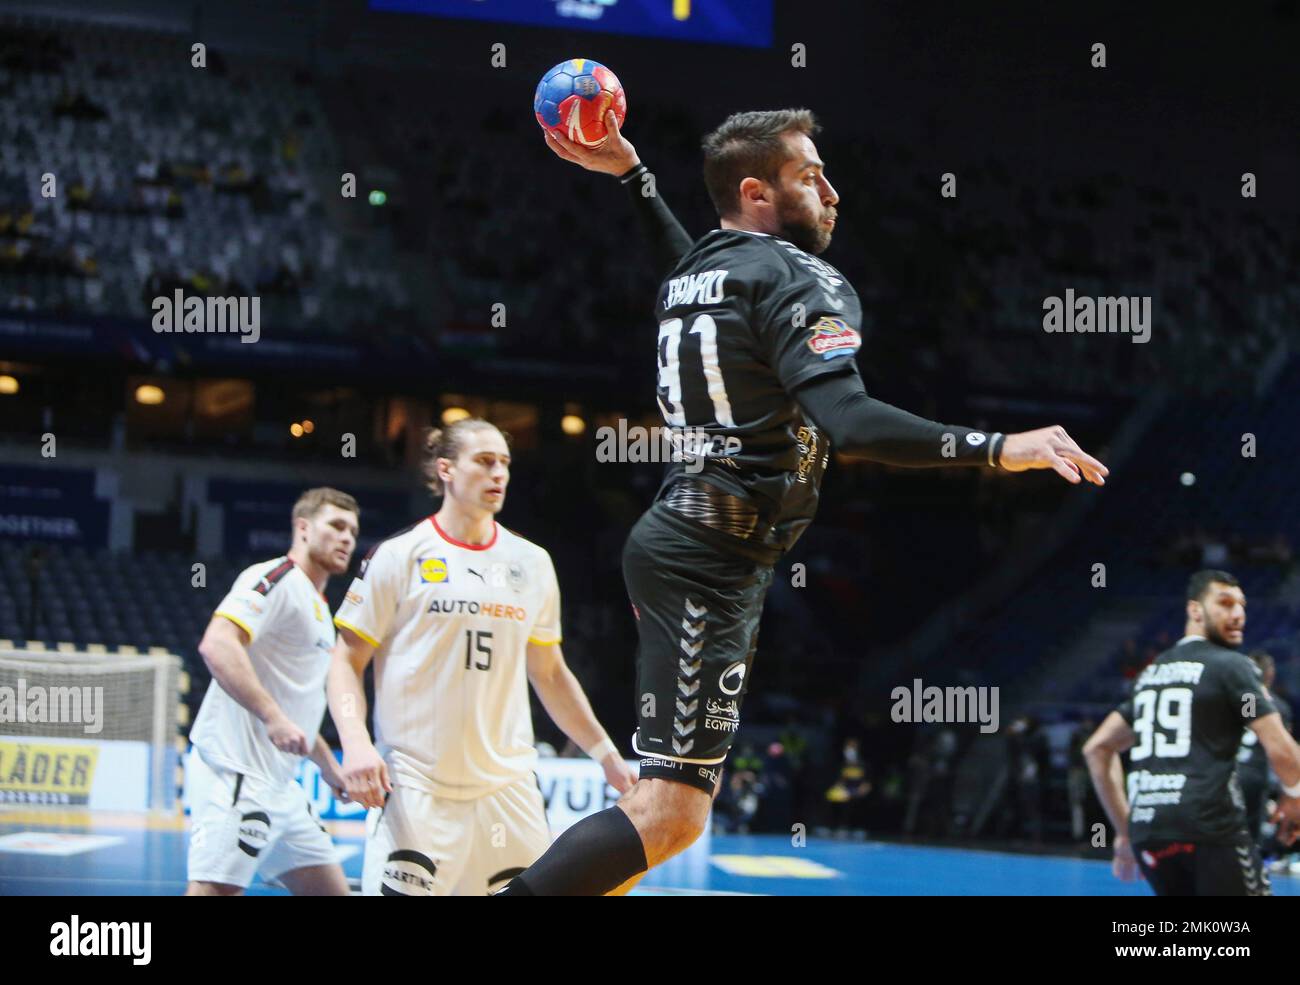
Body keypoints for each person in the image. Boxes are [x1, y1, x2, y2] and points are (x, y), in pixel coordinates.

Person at [497, 108, 1108, 895]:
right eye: (809, 176)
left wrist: (635, 179)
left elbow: (695, 258)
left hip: (698, 543)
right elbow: (848, 419)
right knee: (672, 810)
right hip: (708, 553)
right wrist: (999, 448)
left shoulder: (702, 272)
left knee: (670, 804)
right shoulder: (804, 276)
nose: (832, 191)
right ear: (757, 192)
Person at [327, 419, 635, 896]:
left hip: (506, 791)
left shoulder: (531, 562)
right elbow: (346, 661)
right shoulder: (399, 555)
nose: (500, 474)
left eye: (506, 463)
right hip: (416, 790)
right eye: (485, 461)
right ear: (446, 469)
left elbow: (550, 674)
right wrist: (356, 743)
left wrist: (606, 755)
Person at [186, 487, 359, 896]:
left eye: (352, 530)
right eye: (335, 525)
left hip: (282, 787)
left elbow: (294, 705)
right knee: (213, 891)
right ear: (302, 527)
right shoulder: (275, 578)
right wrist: (272, 717)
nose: (347, 538)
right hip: (238, 773)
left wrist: (326, 765)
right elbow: (217, 644)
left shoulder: (319, 606)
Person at [1084, 570, 1300, 895]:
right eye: (1225, 603)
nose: (1238, 614)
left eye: (1241, 605)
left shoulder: (1152, 674)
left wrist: (1124, 832)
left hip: (1151, 830)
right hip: (1209, 827)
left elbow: (1097, 748)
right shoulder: (1231, 666)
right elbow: (1280, 747)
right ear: (1195, 610)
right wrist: (1295, 795)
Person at [1237, 651, 1294, 851]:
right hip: (1255, 775)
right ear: (1270, 674)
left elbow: (1245, 726)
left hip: (1232, 771)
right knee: (1251, 840)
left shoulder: (1247, 699)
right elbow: (1282, 749)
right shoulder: (1278, 705)